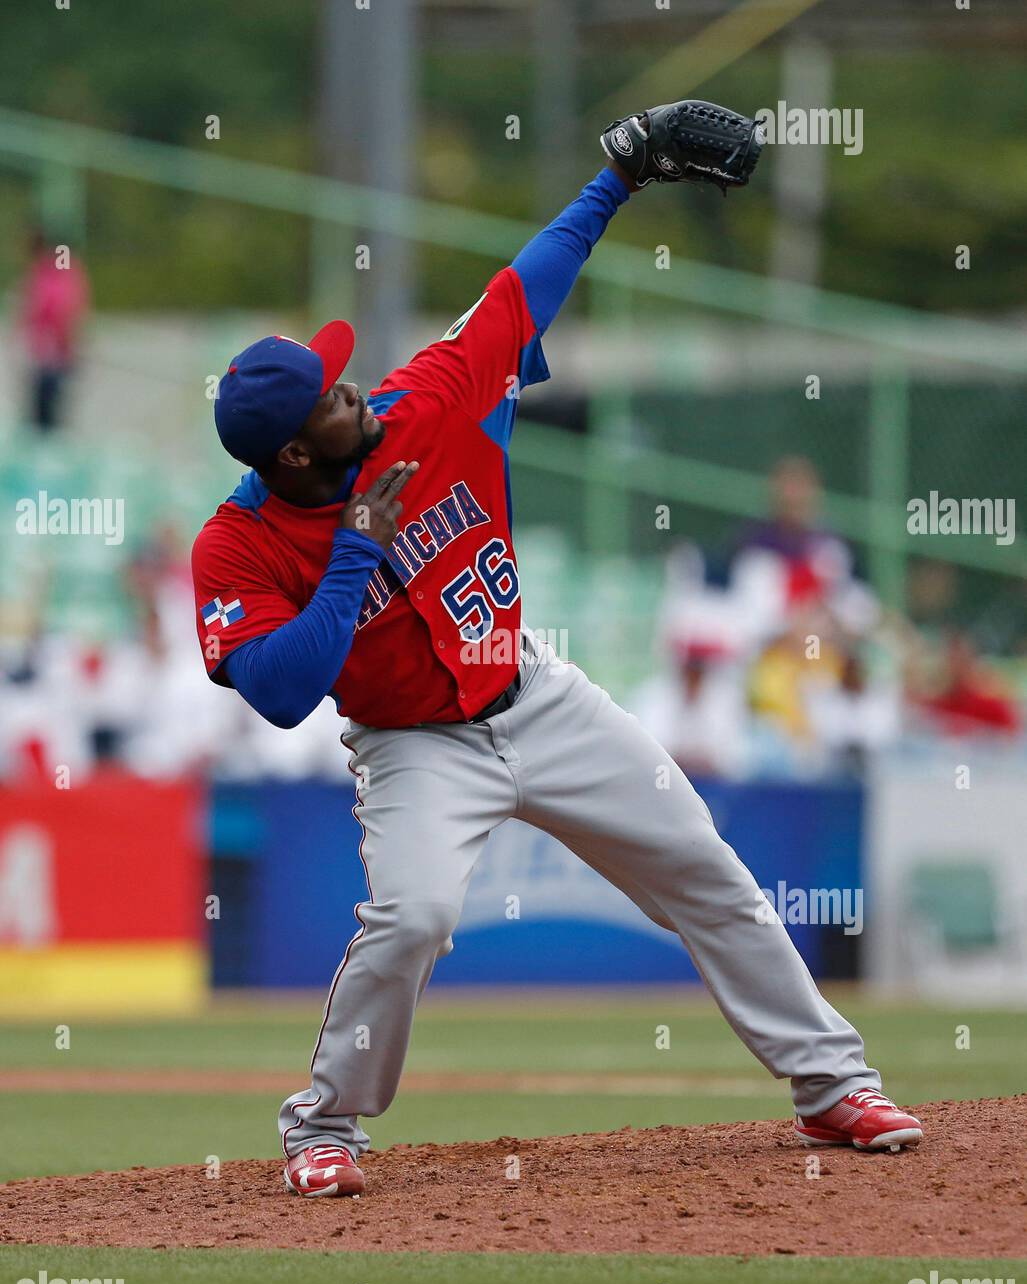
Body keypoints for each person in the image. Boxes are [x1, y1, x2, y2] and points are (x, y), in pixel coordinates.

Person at [191, 100, 922, 1199]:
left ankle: (829, 1082)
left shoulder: (424, 400)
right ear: (296, 451)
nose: (358, 388)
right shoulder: (236, 546)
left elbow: (522, 285)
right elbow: (284, 696)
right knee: (415, 916)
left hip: (535, 693)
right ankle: (324, 1125)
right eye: (336, 396)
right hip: (411, 745)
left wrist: (618, 178)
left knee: (706, 869)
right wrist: (353, 559)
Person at [18, 229, 90, 431]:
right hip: (46, 352)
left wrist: (65, 343)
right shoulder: (44, 269)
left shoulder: (55, 266)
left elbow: (61, 307)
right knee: (43, 413)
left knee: (48, 413)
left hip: (54, 353)